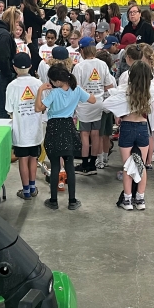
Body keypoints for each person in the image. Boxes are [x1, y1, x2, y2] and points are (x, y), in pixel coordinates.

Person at [35, 64, 95, 211]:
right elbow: (93, 100)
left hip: (54, 128)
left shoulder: (54, 93)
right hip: (69, 127)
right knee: (69, 165)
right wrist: (80, 92)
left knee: (55, 165)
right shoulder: (77, 90)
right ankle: (72, 200)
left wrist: (40, 90)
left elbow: (38, 108)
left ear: (58, 81)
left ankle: (53, 200)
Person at [115, 60, 154, 211]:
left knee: (127, 167)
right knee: (140, 166)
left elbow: (110, 104)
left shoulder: (125, 90)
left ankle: (127, 200)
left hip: (127, 127)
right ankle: (141, 198)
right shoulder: (150, 91)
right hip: (143, 127)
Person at [73, 37, 115, 176]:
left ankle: (84, 165)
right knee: (96, 134)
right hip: (99, 103)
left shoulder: (79, 67)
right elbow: (109, 85)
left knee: (85, 135)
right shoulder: (102, 64)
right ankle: (93, 164)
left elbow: (76, 89)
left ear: (82, 50)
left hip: (84, 104)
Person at [5, 52, 45, 199]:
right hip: (35, 129)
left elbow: (9, 109)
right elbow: (43, 105)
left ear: (14, 68)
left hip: (20, 130)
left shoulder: (12, 86)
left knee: (22, 159)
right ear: (30, 66)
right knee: (33, 158)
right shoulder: (38, 83)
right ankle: (33, 187)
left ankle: (26, 190)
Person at [95, 49, 117, 167]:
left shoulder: (99, 77)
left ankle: (99, 159)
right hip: (110, 109)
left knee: (99, 134)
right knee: (107, 134)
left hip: (101, 109)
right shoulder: (112, 77)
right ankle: (104, 157)